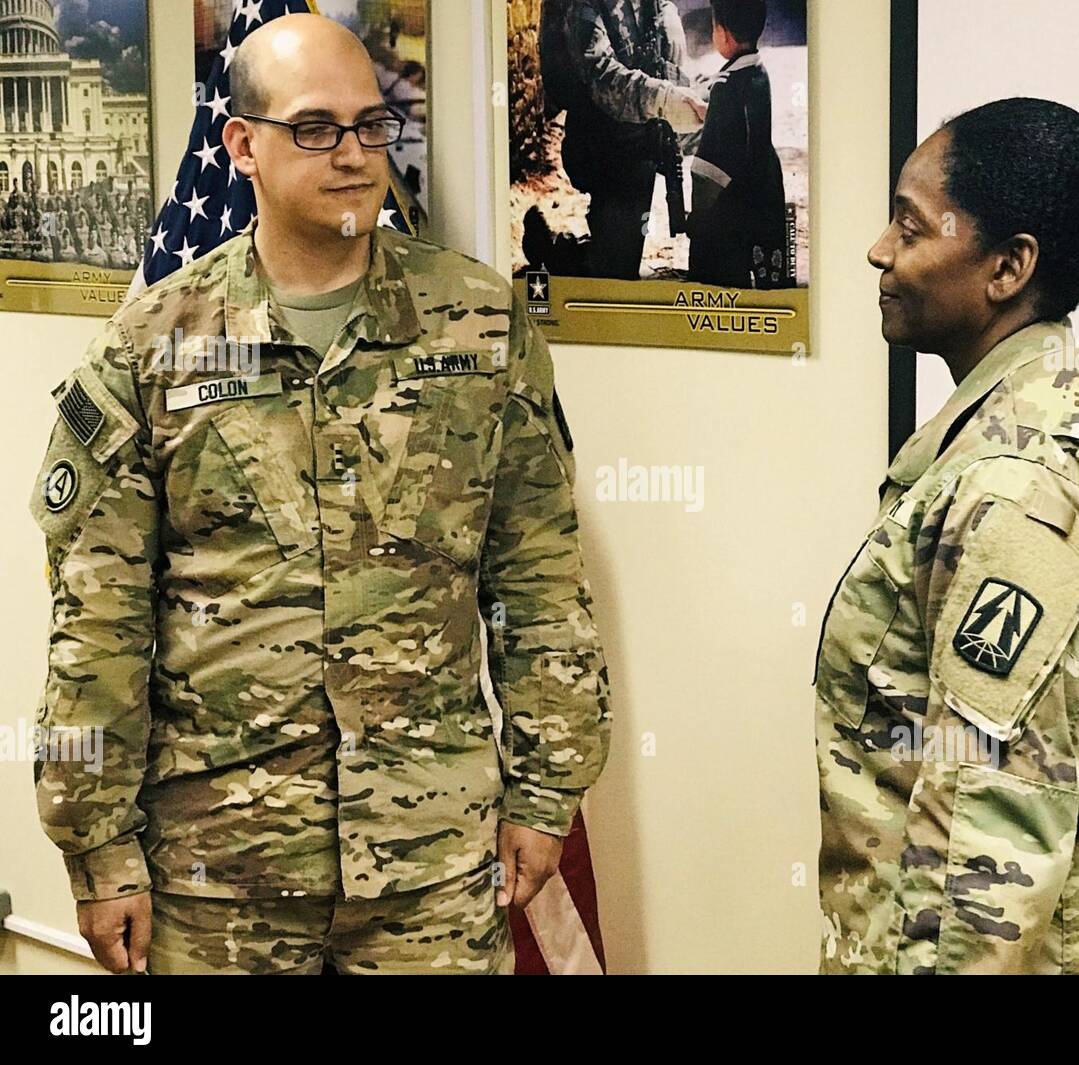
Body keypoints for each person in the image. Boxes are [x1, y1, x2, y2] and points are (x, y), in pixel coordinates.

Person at [29, 13, 611, 976]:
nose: (351, 154)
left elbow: (541, 578)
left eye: (370, 125)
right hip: (218, 871)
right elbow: (99, 618)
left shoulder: (478, 325)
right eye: (314, 128)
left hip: (429, 856)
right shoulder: (152, 342)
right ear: (241, 145)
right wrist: (96, 846)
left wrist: (546, 792)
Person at [816, 97, 1079, 975]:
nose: (880, 250)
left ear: (1007, 268)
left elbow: (984, 853)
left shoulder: (1020, 483)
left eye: (911, 227)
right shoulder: (1062, 401)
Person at [559, 0, 705, 279]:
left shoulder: (658, 7)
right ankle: (554, 250)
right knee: (615, 272)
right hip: (605, 148)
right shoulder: (585, 7)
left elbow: (670, 70)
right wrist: (665, 100)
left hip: (643, 140)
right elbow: (601, 77)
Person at [686, 0, 787, 288]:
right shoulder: (758, 72)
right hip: (761, 189)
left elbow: (712, 167)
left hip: (729, 206)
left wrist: (696, 218)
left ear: (723, 34)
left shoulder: (726, 85)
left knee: (720, 282)